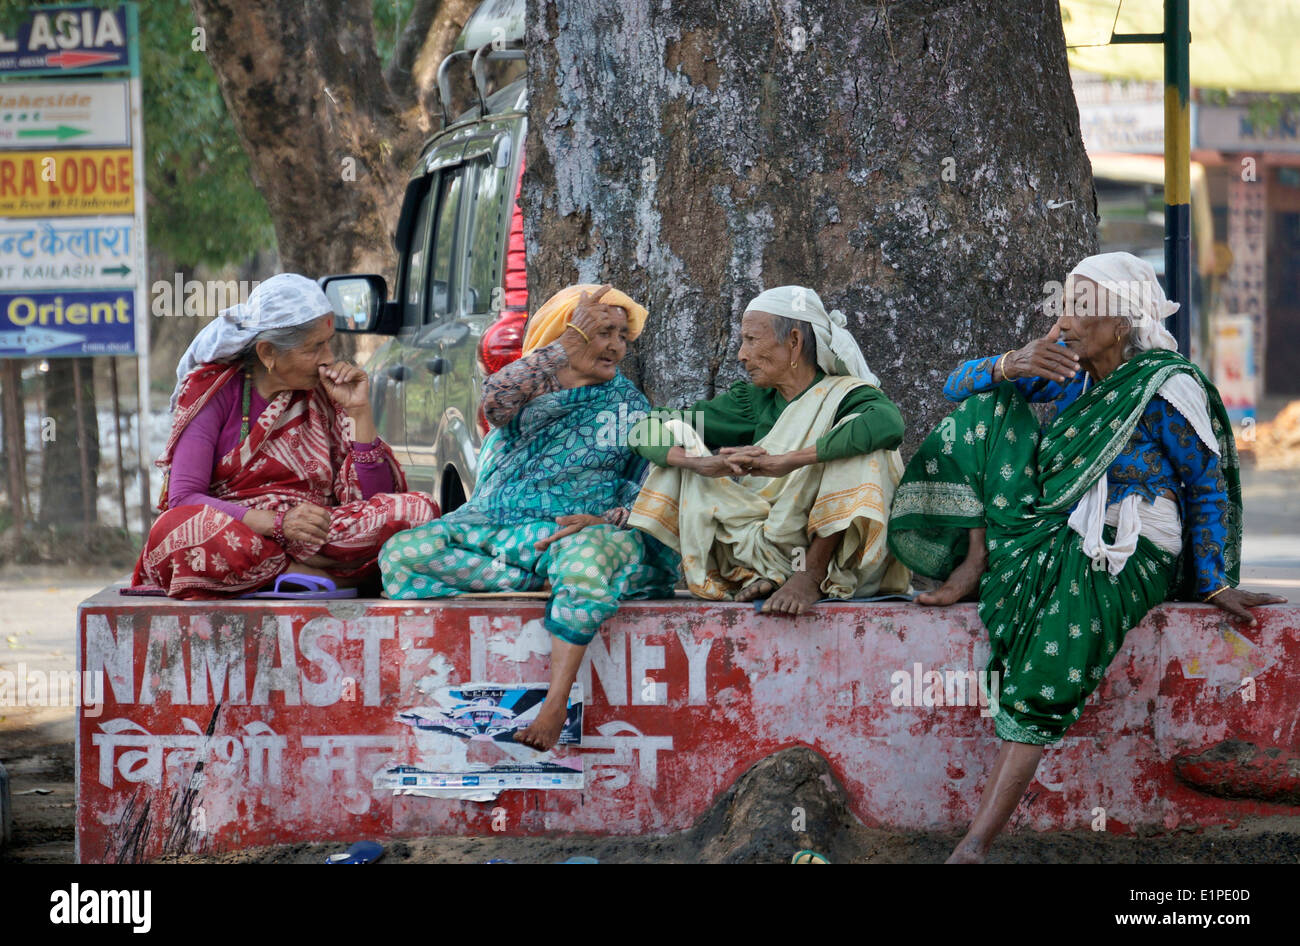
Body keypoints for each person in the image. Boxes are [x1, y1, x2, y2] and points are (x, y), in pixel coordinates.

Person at [886, 252, 1285, 862]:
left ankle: (973, 845)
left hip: (1128, 544)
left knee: (1049, 672)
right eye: (1063, 303)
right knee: (987, 405)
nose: (1064, 317)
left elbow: (1208, 485)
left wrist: (1213, 582)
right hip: (1055, 529)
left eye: (1081, 306)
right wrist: (1008, 363)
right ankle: (974, 559)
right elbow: (955, 388)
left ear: (1123, 321)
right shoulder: (1072, 375)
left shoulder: (1164, 384)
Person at [379, 284, 679, 752]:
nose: (617, 346)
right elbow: (494, 402)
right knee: (402, 555)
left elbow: (647, 490)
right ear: (567, 335)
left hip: (581, 536)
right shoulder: (526, 392)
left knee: (584, 562)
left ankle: (555, 703)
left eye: (623, 334)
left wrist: (608, 521)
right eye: (603, 332)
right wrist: (561, 351)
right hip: (505, 530)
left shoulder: (628, 405)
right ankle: (538, 579)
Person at [133, 274, 437, 599]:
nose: (329, 358)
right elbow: (184, 498)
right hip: (242, 533)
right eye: (315, 347)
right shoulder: (213, 392)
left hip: (318, 534)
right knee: (177, 530)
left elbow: (379, 497)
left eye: (329, 342)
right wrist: (278, 524)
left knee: (418, 510)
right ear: (267, 353)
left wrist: (359, 411)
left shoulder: (324, 394)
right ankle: (311, 577)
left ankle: (283, 576)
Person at [626, 286, 911, 615]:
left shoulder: (847, 396)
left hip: (835, 561)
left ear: (794, 341)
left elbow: (889, 426)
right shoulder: (750, 402)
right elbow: (645, 428)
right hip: (764, 547)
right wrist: (699, 463)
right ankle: (761, 574)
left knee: (866, 449)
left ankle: (809, 575)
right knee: (676, 434)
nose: (741, 355)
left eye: (751, 339)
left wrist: (788, 461)